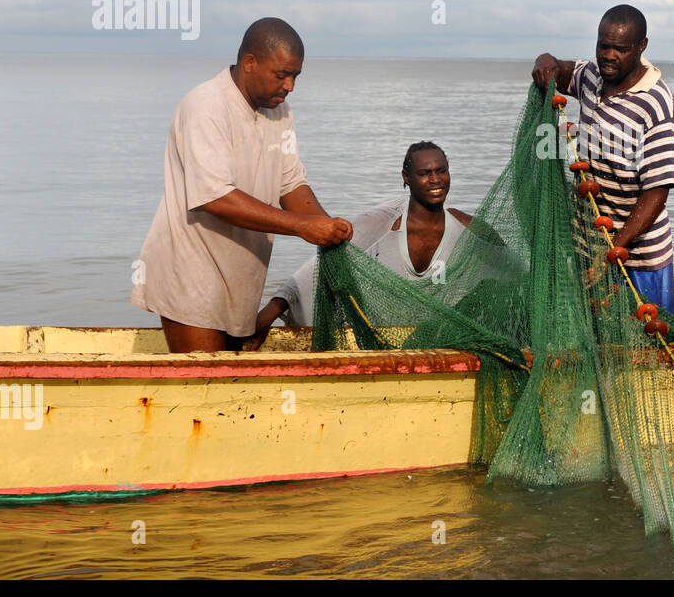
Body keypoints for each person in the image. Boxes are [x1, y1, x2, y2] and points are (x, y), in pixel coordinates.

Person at [131, 18, 353, 352]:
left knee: (230, 393)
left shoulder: (281, 113)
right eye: (281, 75)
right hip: (190, 272)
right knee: (207, 389)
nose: (290, 86)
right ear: (250, 63)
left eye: (296, 76)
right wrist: (303, 226)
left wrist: (327, 228)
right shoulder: (206, 105)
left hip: (241, 280)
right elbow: (215, 197)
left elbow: (291, 183)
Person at [531, 4, 674, 313]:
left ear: (641, 47)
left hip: (639, 257)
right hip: (590, 246)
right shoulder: (592, 76)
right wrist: (544, 60)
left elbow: (657, 191)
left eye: (621, 49)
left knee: (650, 342)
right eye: (604, 45)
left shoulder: (656, 104)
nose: (609, 55)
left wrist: (614, 249)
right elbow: (558, 69)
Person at [256, 141, 473, 328]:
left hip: (435, 333)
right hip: (382, 332)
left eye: (441, 171)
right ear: (406, 177)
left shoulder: (466, 228)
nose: (435, 180)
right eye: (424, 174)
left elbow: (502, 265)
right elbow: (324, 262)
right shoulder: (382, 222)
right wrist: (271, 312)